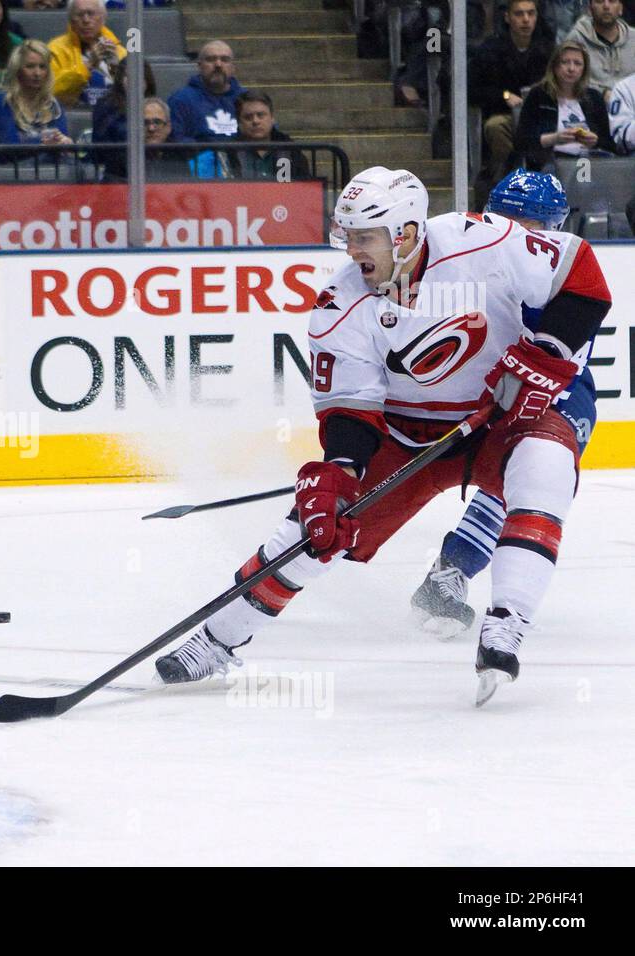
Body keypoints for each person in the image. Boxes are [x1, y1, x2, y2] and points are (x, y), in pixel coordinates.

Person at [153, 165, 611, 705]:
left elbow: (580, 276)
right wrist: (340, 472)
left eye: (364, 237)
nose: (351, 251)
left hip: (498, 422)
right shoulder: (339, 304)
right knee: (314, 529)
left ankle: (506, 623)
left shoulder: (484, 242)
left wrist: (546, 354)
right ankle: (217, 639)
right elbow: (351, 410)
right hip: (404, 436)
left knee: (548, 466)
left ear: (407, 234)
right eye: (346, 236)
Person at [410, 168, 598, 637]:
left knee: (533, 462)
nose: (525, 236)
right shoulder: (462, 259)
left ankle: (451, 572)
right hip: (474, 378)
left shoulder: (563, 275)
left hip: (543, 384)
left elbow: (564, 362)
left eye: (535, 225)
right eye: (512, 221)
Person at [469, 0, 555, 190]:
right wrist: (504, 95)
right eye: (519, 14)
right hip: (506, 116)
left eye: (531, 13)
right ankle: (508, 179)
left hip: (541, 118)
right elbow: (474, 90)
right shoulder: (490, 49)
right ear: (507, 17)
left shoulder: (548, 50)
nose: (526, 19)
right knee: (495, 127)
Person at [515, 39, 615, 168]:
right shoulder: (539, 95)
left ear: (584, 69)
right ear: (555, 66)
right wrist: (555, 138)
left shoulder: (594, 97)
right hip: (549, 163)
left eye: (578, 63)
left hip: (589, 165)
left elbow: (609, 144)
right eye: (565, 62)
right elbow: (521, 142)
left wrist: (595, 141)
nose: (571, 68)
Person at [190, 89, 310, 180]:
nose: (255, 121)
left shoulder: (290, 150)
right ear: (238, 122)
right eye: (248, 117)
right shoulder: (225, 153)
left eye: (261, 115)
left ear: (272, 118)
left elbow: (306, 189)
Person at [0, 38, 69, 146]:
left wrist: (66, 142)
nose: (37, 73)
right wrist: (43, 142)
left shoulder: (53, 104)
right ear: (18, 70)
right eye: (30, 66)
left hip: (51, 162)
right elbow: (9, 145)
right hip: (11, 162)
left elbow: (60, 137)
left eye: (42, 67)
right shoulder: (3, 102)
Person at [48, 0, 125, 107]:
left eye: (91, 13)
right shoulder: (55, 49)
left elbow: (135, 93)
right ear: (71, 20)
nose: (86, 20)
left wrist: (116, 70)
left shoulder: (120, 52)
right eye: (79, 15)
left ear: (103, 18)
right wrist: (88, 65)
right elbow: (51, 92)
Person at [167, 38, 245, 141]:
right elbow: (176, 139)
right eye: (211, 59)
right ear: (199, 66)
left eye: (224, 60)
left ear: (233, 67)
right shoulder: (180, 100)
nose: (218, 65)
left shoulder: (246, 99)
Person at [565, 0, 635, 92]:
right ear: (590, 9)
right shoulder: (576, 39)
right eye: (599, 1)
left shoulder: (633, 38)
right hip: (590, 102)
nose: (606, 6)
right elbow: (567, 80)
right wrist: (602, 93)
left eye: (612, 1)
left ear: (620, 9)